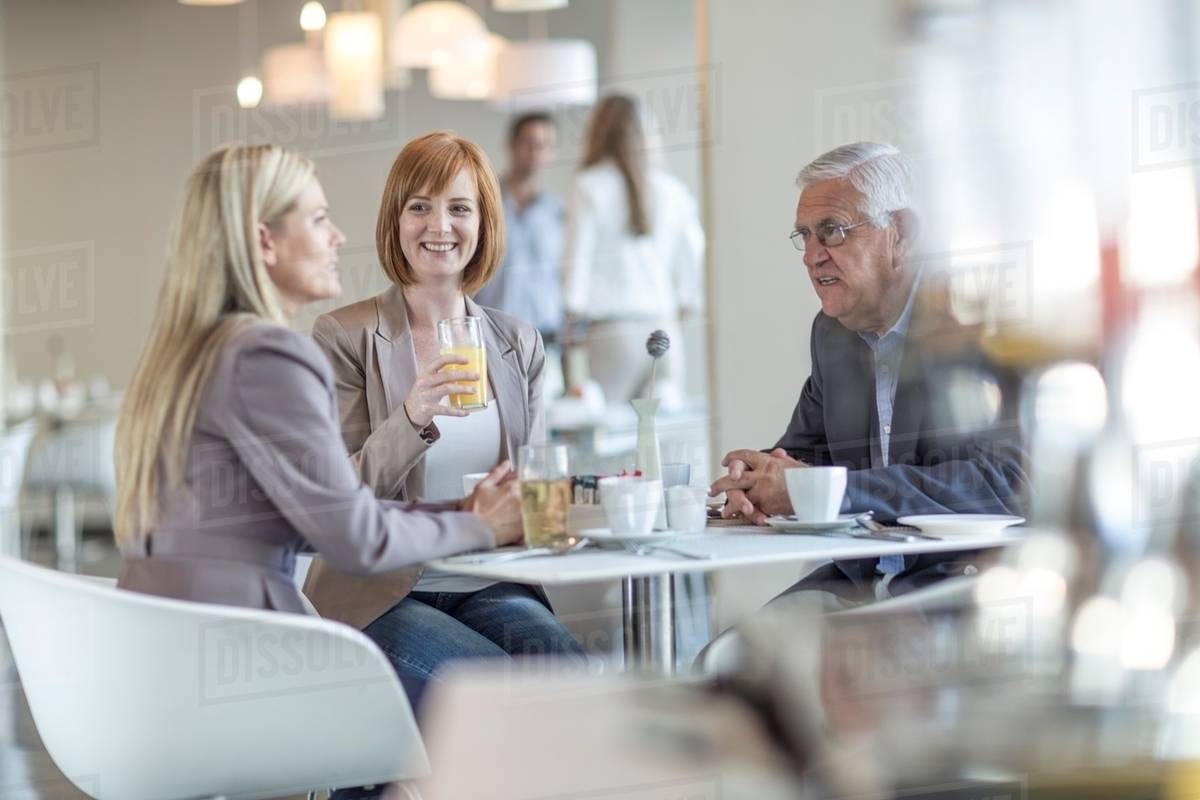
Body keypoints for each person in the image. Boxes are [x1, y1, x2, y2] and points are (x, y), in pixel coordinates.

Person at [113, 144, 523, 633]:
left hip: (165, 642)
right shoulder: (270, 357)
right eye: (319, 220)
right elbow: (354, 537)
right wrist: (478, 525)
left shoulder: (196, 351)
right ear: (265, 241)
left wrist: (462, 509)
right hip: (249, 649)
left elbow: (319, 514)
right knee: (510, 682)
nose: (338, 237)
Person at [301, 131, 585, 709]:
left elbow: (530, 484)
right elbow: (337, 501)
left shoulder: (516, 342)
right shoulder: (345, 335)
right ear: (396, 220)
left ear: (482, 224)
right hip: (382, 594)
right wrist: (412, 416)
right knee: (498, 694)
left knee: (576, 679)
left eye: (459, 208)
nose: (440, 226)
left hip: (489, 583)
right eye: (420, 207)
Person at [709, 141, 1027, 604]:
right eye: (805, 235)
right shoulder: (832, 333)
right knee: (729, 662)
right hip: (857, 578)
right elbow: (805, 454)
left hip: (959, 584)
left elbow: (1005, 481)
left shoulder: (976, 324)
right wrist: (756, 478)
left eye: (832, 231)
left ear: (901, 233)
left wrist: (829, 492)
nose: (811, 256)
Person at [561, 94, 705, 408]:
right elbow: (694, 249)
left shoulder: (588, 185)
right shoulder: (672, 189)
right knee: (659, 434)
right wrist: (687, 299)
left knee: (609, 431)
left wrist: (572, 310)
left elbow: (578, 258)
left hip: (613, 331)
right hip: (663, 323)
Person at [473, 112, 565, 344]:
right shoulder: (483, 204)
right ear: (511, 145)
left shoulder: (558, 212)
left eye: (544, 145)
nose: (536, 151)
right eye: (529, 142)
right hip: (493, 334)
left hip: (546, 338)